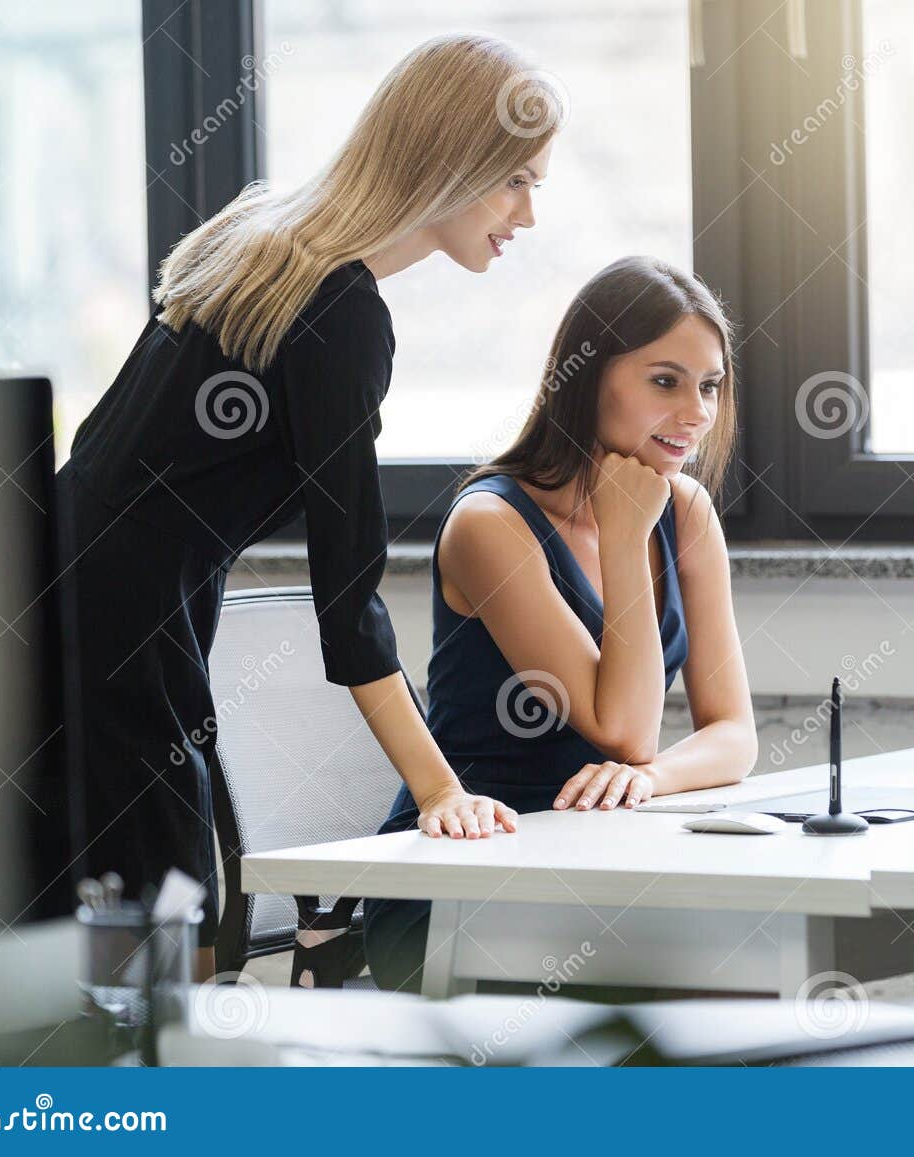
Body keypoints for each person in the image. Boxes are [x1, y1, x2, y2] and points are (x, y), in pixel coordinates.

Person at [56, 34, 562, 979]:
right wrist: (439, 789)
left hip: (80, 595)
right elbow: (349, 594)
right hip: (123, 629)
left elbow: (105, 460)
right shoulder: (338, 310)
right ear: (455, 161)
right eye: (516, 183)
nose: (528, 214)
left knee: (132, 919)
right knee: (166, 939)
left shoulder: (265, 240)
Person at [364, 256, 759, 993]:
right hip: (459, 877)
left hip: (591, 858)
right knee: (701, 981)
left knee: (751, 961)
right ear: (589, 376)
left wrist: (645, 781)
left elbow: (734, 734)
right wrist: (620, 531)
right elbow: (624, 726)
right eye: (665, 380)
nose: (699, 412)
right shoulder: (490, 525)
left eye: (709, 386)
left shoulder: (686, 513)